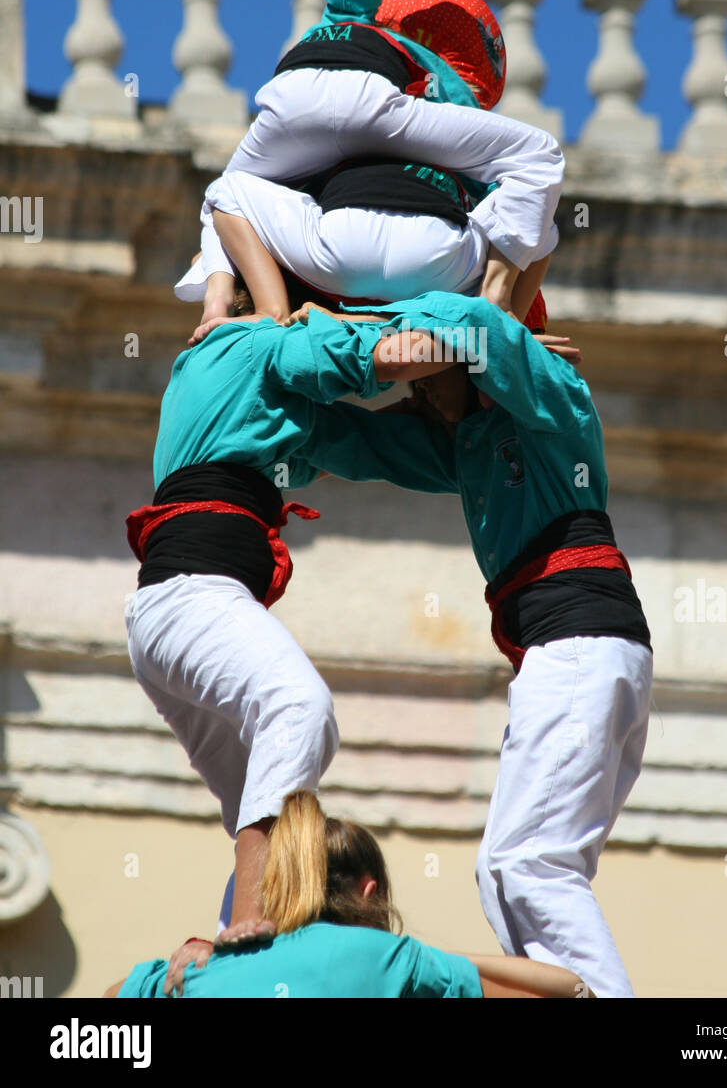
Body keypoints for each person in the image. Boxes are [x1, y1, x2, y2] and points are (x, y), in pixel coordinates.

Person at [279, 293, 652, 998]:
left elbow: (479, 323)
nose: (416, 385)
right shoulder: (467, 442)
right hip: (580, 653)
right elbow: (345, 440)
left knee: (530, 864)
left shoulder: (547, 394)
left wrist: (358, 328)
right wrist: (275, 364)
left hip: (578, 645)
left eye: (428, 369)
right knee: (507, 869)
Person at [123, 296, 514, 956]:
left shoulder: (254, 404)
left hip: (170, 614)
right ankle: (249, 916)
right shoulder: (249, 345)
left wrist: (455, 407)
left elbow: (371, 447)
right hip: (192, 598)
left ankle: (228, 945)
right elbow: (382, 354)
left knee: (272, 801)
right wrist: (504, 349)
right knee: (300, 710)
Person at [173, 0, 564, 326]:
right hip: (373, 112)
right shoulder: (443, 85)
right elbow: (514, 208)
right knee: (540, 157)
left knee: (221, 198)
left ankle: (221, 306)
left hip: (290, 99)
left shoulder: (355, 21)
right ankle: (496, 311)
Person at [104, 790, 593, 999]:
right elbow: (570, 989)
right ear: (368, 890)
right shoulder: (389, 960)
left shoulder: (199, 969)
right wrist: (434, 957)